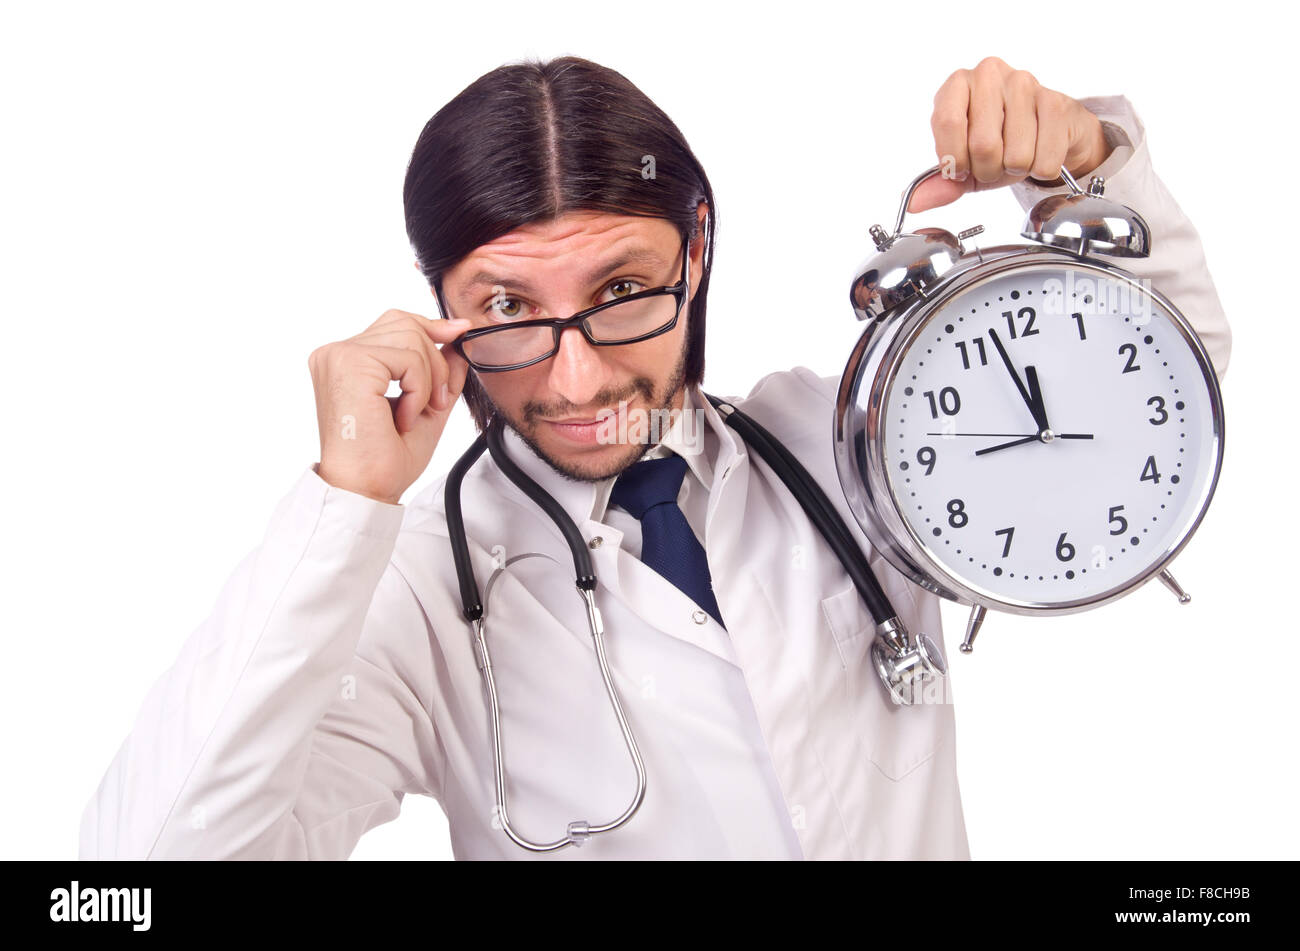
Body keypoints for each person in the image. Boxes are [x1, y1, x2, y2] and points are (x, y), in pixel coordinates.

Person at [78, 55, 1231, 860]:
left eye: (623, 291)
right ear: (434, 310)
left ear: (700, 252)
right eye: (505, 309)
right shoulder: (416, 598)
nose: (575, 381)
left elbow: (1160, 404)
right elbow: (143, 870)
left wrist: (1081, 165)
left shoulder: (851, 457)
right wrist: (344, 502)